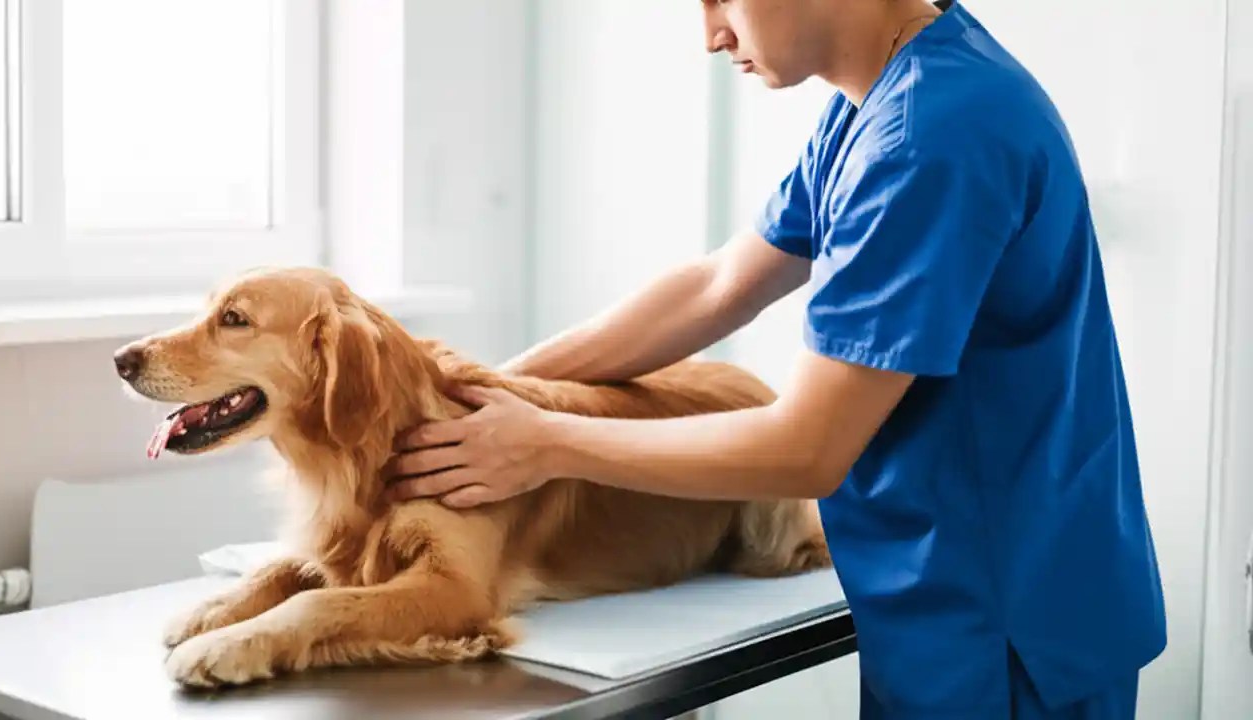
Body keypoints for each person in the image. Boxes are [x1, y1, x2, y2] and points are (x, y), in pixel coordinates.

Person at [387, 0, 1167, 717]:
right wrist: (492, 392)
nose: (711, 34)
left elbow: (808, 449)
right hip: (973, 591)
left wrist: (546, 443)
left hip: (1005, 622)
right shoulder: (887, 95)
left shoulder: (931, 138)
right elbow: (718, 286)